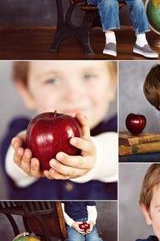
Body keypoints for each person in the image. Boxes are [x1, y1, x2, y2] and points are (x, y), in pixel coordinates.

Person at [0, 60, 117, 200]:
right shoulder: (19, 129)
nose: (73, 95)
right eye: (52, 80)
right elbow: (11, 162)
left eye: (88, 76)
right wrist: (25, 152)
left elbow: (115, 152)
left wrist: (95, 156)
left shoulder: (116, 130)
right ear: (26, 92)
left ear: (112, 85)